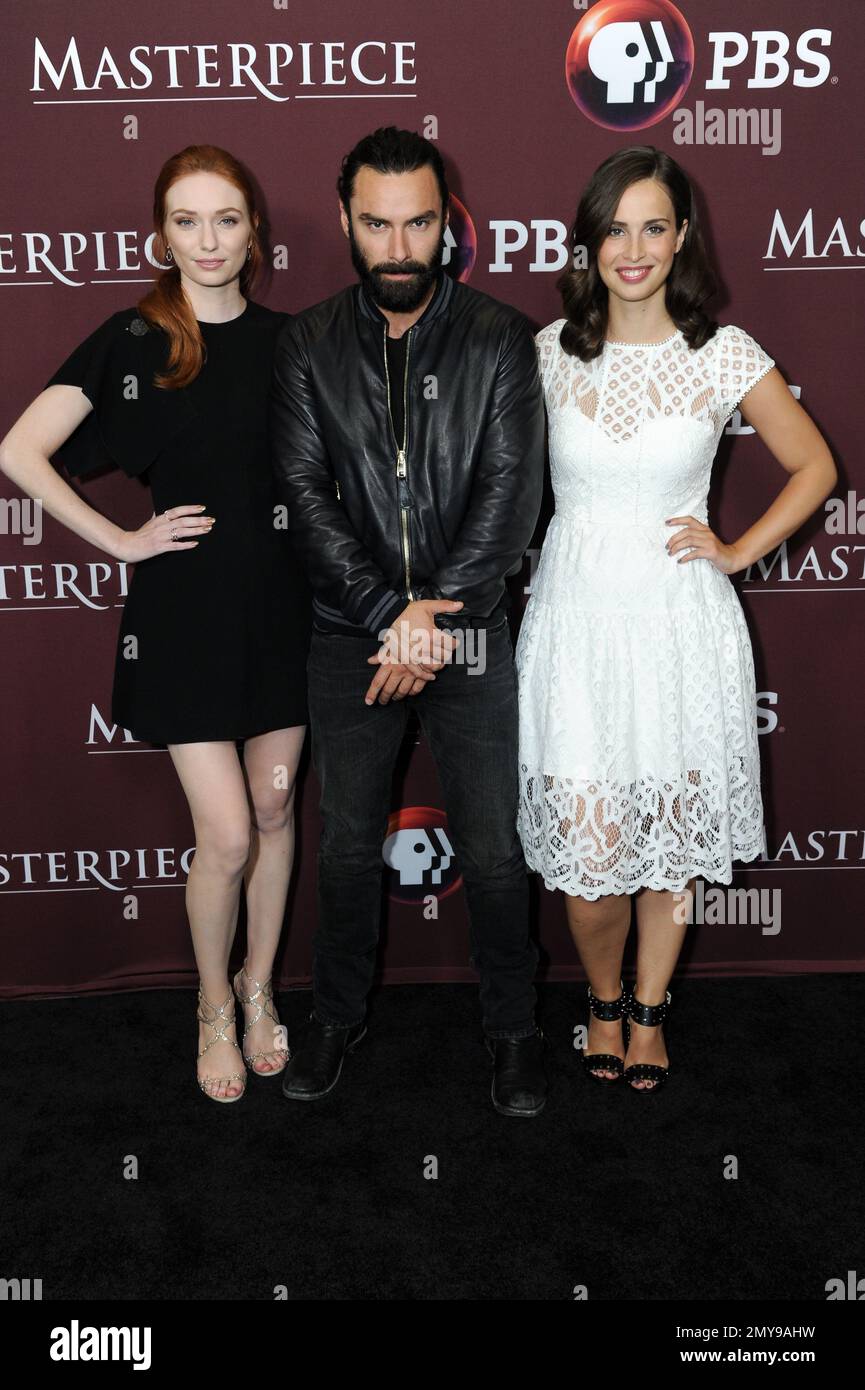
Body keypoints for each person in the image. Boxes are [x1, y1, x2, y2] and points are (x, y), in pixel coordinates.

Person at [515, 145, 837, 1092]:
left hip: (678, 626)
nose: (632, 248)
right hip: (573, 625)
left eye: (653, 227)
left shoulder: (721, 353)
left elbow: (814, 467)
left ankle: (644, 1010)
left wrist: (736, 552)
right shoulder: (544, 352)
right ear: (589, 240)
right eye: (614, 227)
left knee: (668, 844)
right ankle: (600, 994)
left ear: (682, 238)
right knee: (589, 867)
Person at [0, 145, 312, 1105]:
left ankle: (262, 988)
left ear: (254, 231)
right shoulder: (134, 340)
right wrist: (120, 541)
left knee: (272, 808)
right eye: (188, 220)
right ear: (160, 235)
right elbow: (21, 449)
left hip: (286, 607)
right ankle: (213, 1003)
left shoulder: (293, 340)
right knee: (223, 833)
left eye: (227, 219)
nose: (209, 240)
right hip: (182, 615)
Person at [270, 126, 547, 1116]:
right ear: (346, 220)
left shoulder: (500, 337)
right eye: (377, 223)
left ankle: (513, 1031)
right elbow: (303, 496)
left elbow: (512, 499)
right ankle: (335, 1016)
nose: (397, 246)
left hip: (468, 628)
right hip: (353, 631)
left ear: (446, 224)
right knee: (344, 847)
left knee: (493, 848)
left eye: (417, 222)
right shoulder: (303, 343)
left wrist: (432, 623)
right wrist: (391, 614)